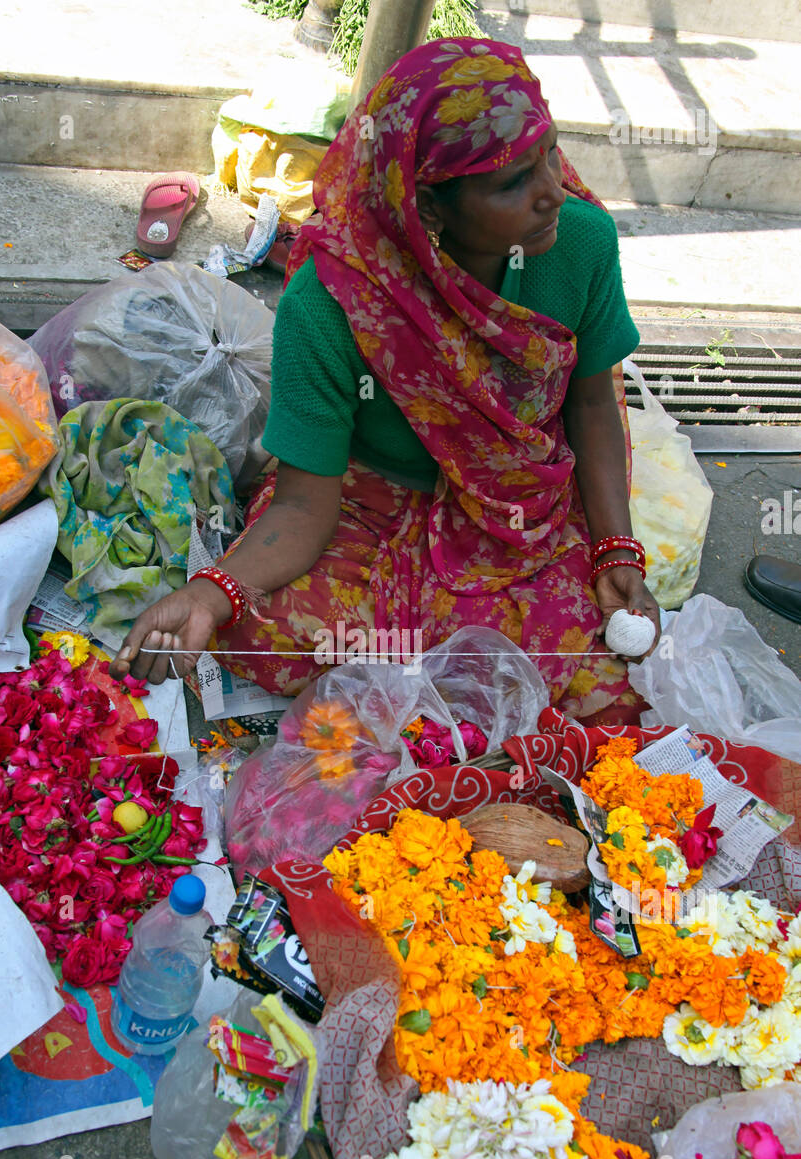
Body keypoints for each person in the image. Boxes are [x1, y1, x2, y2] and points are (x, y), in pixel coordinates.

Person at [111, 37, 660, 723]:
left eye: (550, 153)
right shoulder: (332, 299)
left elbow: (592, 404)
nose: (554, 191)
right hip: (369, 499)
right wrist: (209, 592)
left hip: (514, 502)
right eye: (513, 181)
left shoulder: (580, 243)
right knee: (266, 639)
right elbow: (304, 507)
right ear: (426, 207)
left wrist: (615, 547)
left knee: (607, 672)